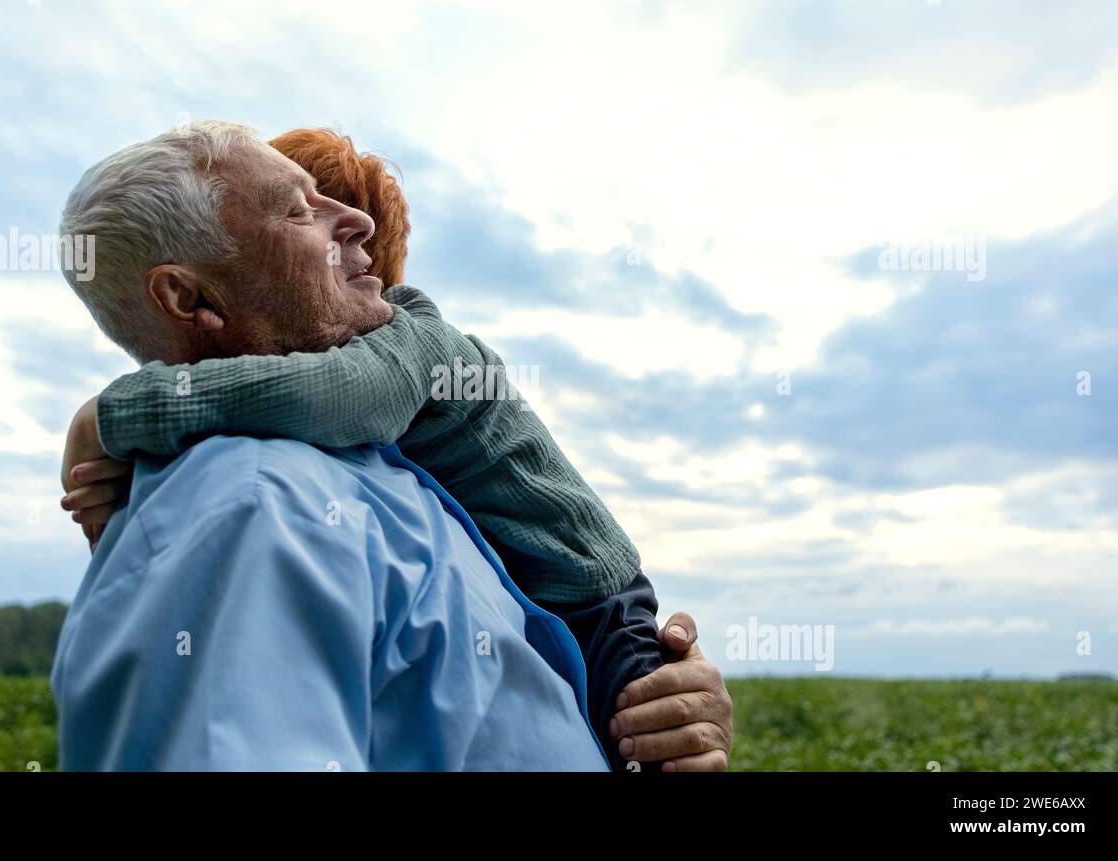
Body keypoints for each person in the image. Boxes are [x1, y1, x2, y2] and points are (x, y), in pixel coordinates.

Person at [58, 121, 732, 770]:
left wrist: (106, 415)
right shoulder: (257, 491)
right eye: (296, 212)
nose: (358, 235)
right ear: (191, 293)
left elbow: (329, 392)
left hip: (599, 595)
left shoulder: (402, 377)